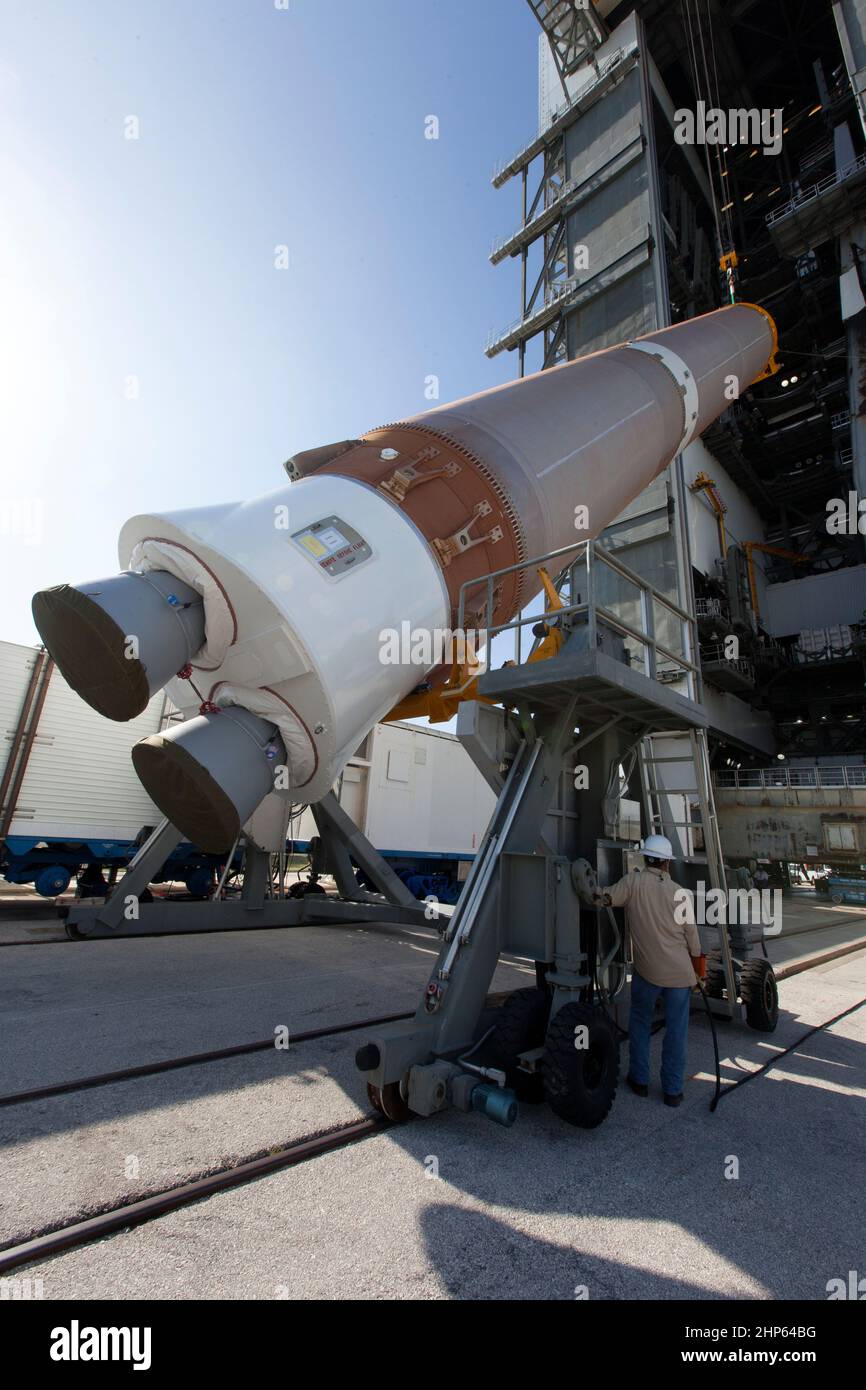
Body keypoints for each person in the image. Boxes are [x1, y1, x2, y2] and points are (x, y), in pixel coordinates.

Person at [595, 835, 705, 1108]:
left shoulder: (632, 883)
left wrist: (584, 884)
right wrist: (698, 972)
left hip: (647, 971)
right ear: (667, 862)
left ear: (645, 858)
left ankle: (640, 1081)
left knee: (641, 1024)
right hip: (680, 975)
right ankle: (673, 1091)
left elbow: (605, 897)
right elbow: (693, 938)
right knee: (677, 1032)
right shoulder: (679, 892)